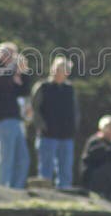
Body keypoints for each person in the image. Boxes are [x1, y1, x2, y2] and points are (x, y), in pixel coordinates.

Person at [0, 41, 32, 188]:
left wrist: (24, 72)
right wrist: (14, 69)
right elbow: (3, 81)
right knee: (6, 157)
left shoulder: (10, 71)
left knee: (23, 158)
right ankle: (1, 187)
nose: (10, 57)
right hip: (1, 119)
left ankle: (16, 189)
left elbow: (23, 90)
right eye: (6, 53)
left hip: (16, 119)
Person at [31, 56, 79, 188]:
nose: (58, 71)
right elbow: (35, 109)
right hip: (47, 135)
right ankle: (44, 196)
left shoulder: (70, 89)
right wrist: (42, 127)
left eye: (63, 69)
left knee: (65, 170)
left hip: (66, 136)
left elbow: (75, 111)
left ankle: (64, 194)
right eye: (57, 68)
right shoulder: (42, 87)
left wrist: (73, 128)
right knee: (45, 169)